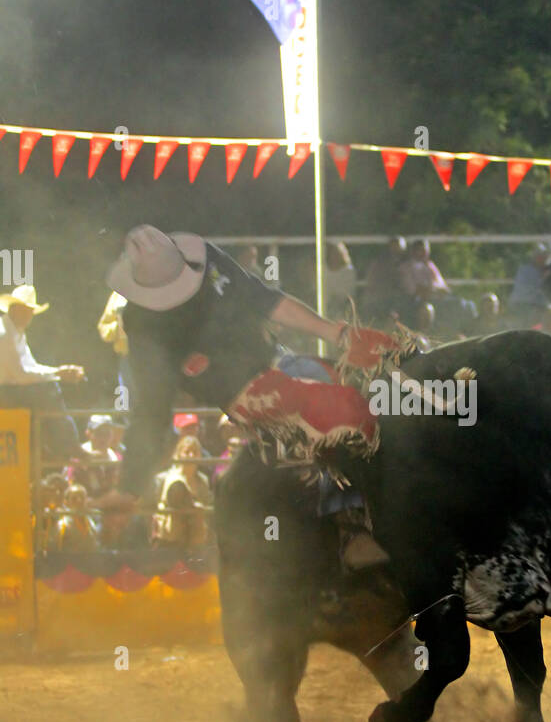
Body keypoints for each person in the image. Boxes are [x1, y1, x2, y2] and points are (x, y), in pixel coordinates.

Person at [97, 226, 404, 569]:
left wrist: (339, 333)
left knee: (369, 389)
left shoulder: (208, 259)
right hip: (242, 395)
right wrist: (131, 483)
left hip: (277, 359)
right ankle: (351, 528)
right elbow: (152, 407)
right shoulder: (141, 324)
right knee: (333, 410)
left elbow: (267, 299)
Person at [0, 285, 85, 459]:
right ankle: (68, 445)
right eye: (26, 310)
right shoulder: (4, 335)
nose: (28, 316)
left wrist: (59, 372)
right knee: (49, 391)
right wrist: (59, 373)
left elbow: (31, 366)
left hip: (10, 390)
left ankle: (61, 446)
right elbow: (21, 375)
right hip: (5, 392)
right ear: (14, 309)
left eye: (30, 311)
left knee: (49, 388)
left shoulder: (15, 332)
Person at [152, 435, 212, 549]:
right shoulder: (168, 478)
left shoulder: (203, 480)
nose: (191, 456)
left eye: (195, 452)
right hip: (170, 538)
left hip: (195, 538)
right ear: (178, 454)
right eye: (187, 451)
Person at [508, 244, 550, 321]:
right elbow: (524, 291)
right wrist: (542, 279)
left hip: (538, 306)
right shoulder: (524, 270)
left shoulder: (547, 271)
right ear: (534, 257)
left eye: (543, 256)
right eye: (539, 255)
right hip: (522, 304)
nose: (541, 258)